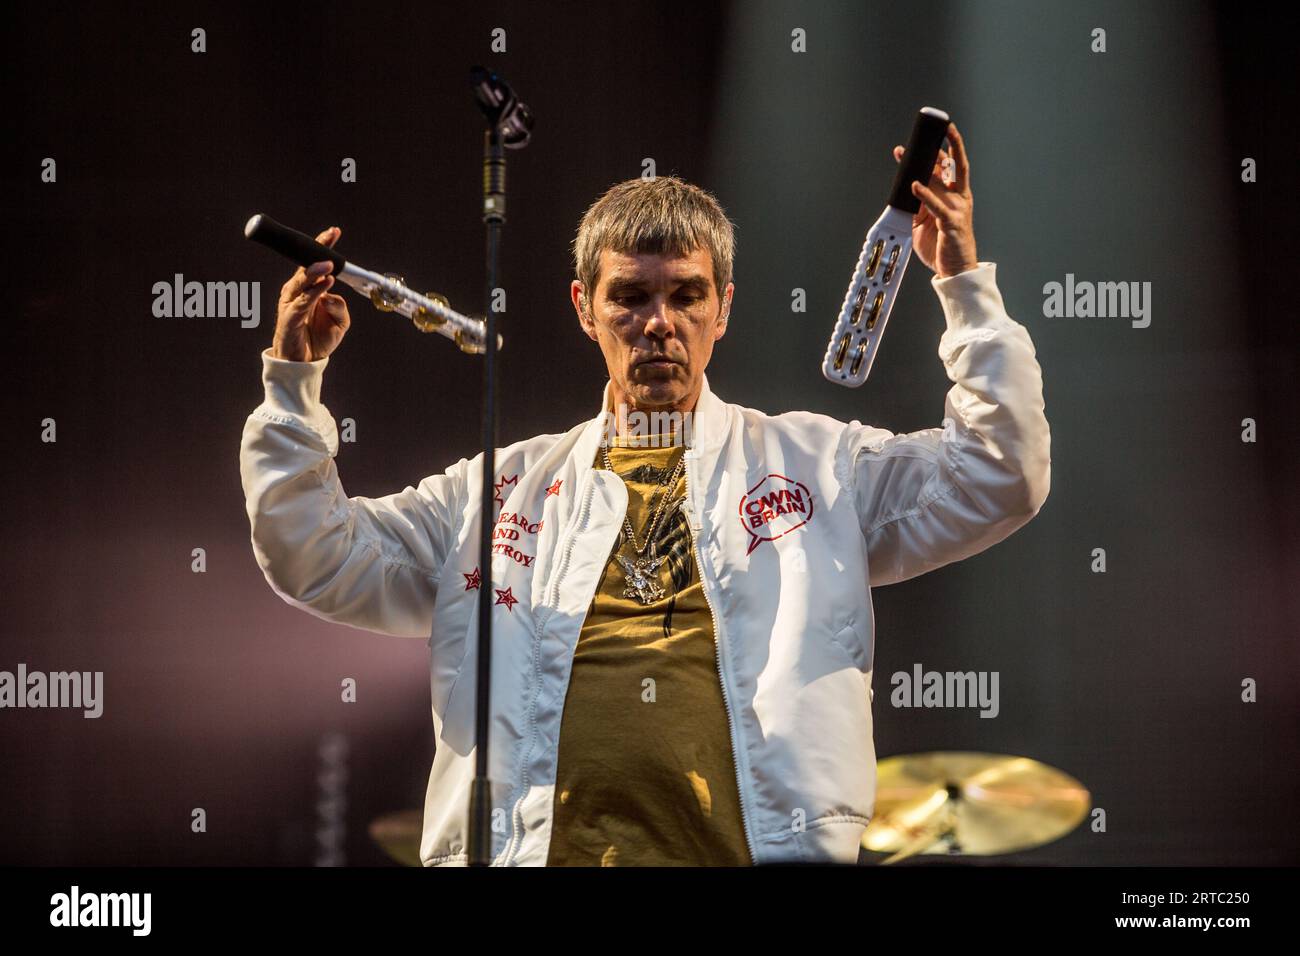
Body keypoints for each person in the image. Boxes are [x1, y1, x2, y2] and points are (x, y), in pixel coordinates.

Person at [239, 123, 1050, 866]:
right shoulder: (498, 491)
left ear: (722, 309)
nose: (659, 322)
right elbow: (316, 557)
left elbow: (1000, 473)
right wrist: (292, 383)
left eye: (686, 295)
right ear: (585, 308)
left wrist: (963, 284)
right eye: (630, 296)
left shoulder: (817, 466)